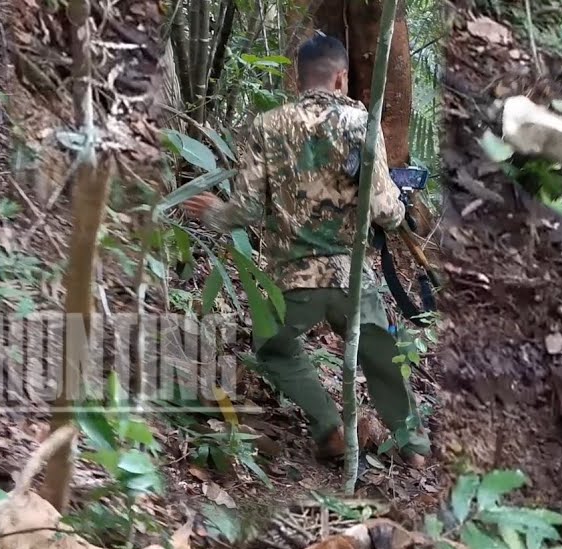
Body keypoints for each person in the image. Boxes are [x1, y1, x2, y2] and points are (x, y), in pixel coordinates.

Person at [181, 32, 430, 469]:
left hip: (293, 283)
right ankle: (414, 449)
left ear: (299, 81)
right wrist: (398, 205)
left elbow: (247, 209)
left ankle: (329, 426)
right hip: (353, 279)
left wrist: (212, 213)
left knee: (273, 347)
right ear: (341, 78)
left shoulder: (268, 126)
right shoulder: (363, 125)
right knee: (381, 359)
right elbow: (386, 212)